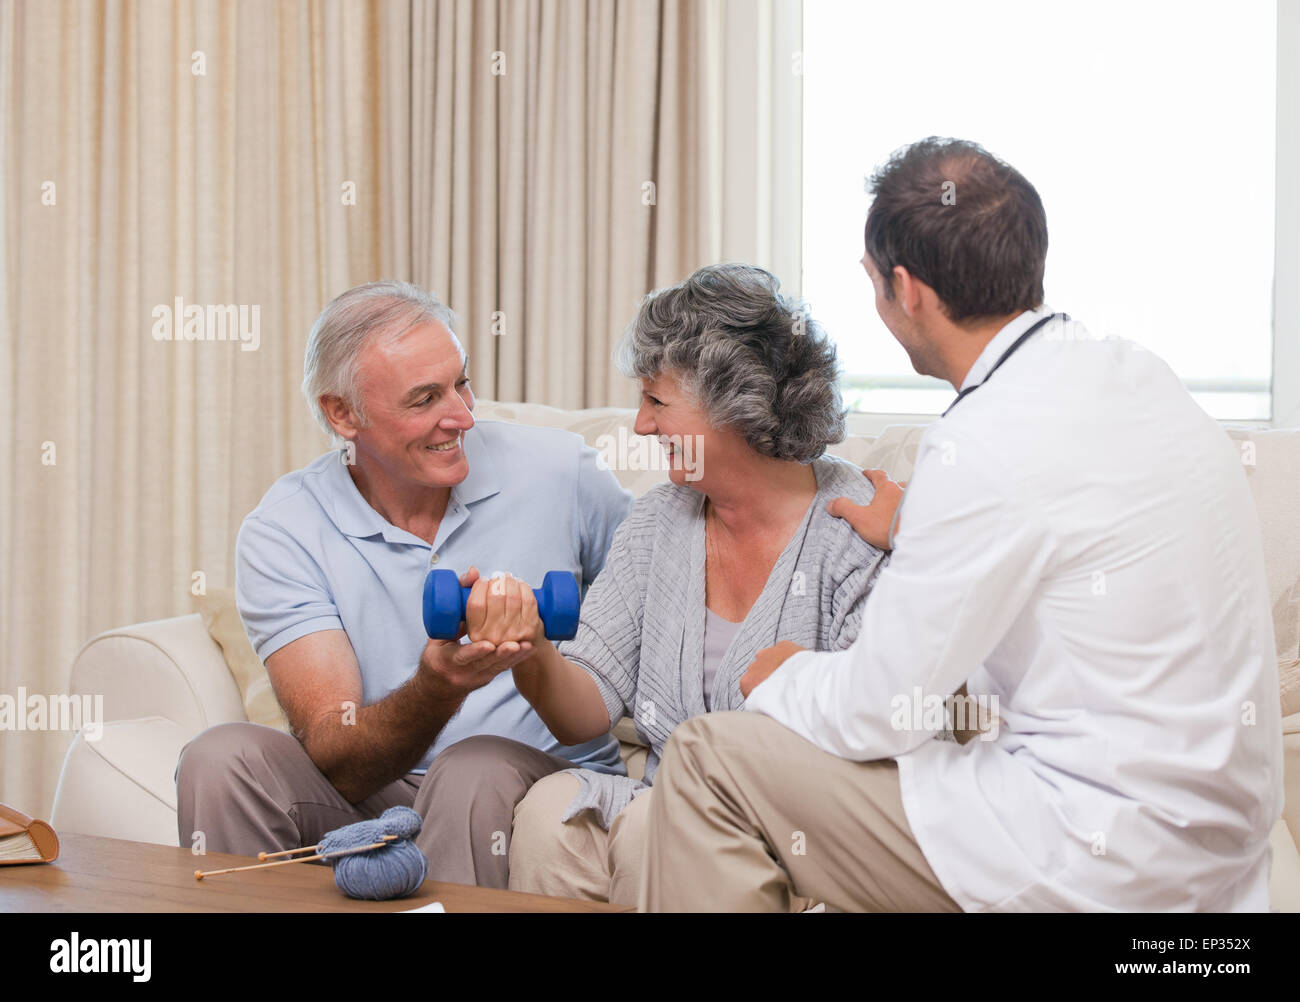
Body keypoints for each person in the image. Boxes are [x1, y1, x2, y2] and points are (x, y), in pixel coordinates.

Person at [638, 137, 1285, 912]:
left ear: (905, 290)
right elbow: (1073, 549)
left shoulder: (978, 443)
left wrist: (783, 675)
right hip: (1221, 847)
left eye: (873, 282)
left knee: (710, 756)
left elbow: (874, 709)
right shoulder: (1143, 379)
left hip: (1093, 852)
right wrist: (918, 532)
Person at [174, 280, 633, 888]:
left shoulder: (563, 474)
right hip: (378, 790)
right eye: (425, 399)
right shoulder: (284, 528)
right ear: (343, 414)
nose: (463, 416)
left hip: (532, 779)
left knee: (473, 767)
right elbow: (337, 758)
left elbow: (657, 602)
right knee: (220, 759)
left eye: (461, 382)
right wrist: (437, 687)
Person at [490, 263, 899, 906]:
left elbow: (868, 732)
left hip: (792, 824)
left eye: (657, 402)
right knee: (550, 813)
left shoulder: (857, 525)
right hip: (660, 801)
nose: (641, 428)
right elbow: (586, 710)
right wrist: (532, 650)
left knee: (658, 827)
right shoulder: (658, 520)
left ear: (737, 405)